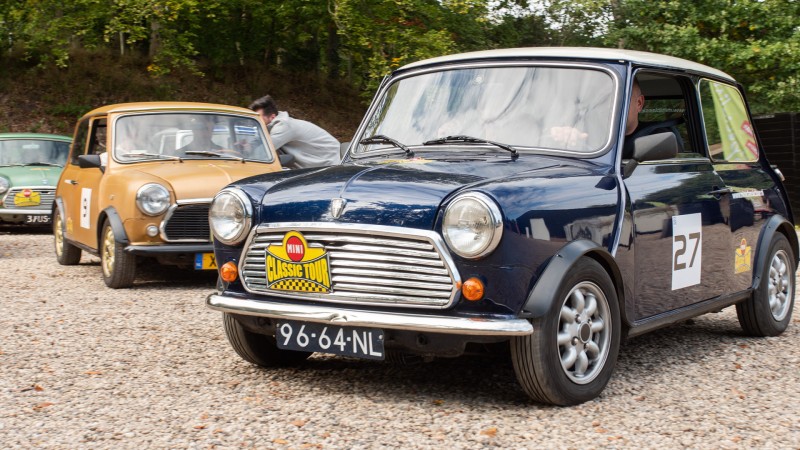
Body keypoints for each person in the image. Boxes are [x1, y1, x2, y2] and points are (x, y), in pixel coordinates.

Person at [249, 95, 340, 168]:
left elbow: (263, 151)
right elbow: (259, 142)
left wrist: (247, 148)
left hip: (329, 162)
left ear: (272, 117)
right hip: (316, 163)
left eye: (259, 117)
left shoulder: (284, 126)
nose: (257, 120)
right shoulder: (271, 126)